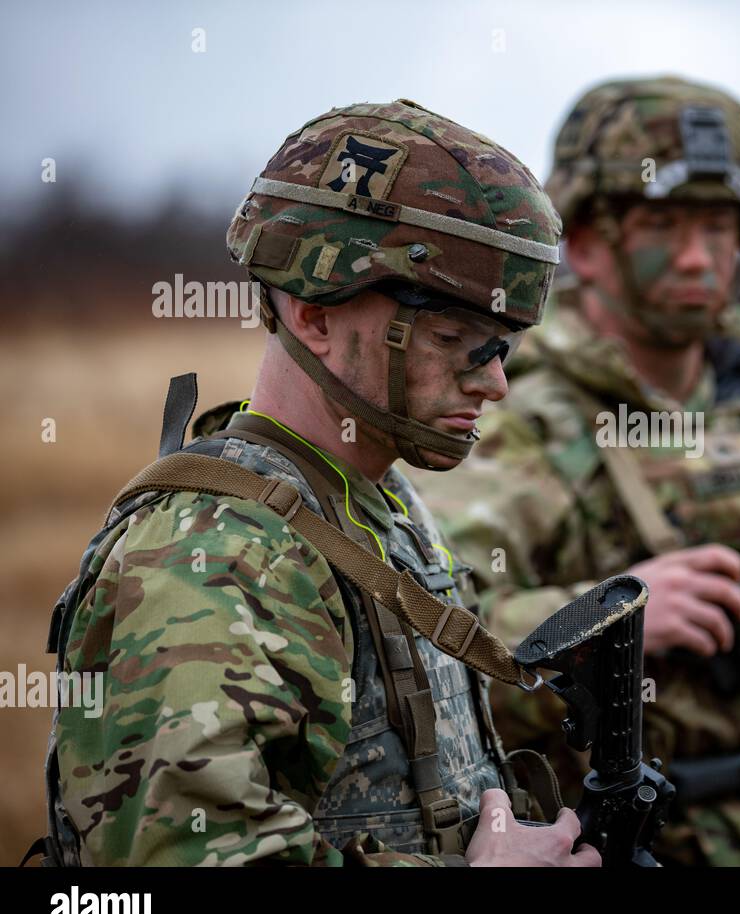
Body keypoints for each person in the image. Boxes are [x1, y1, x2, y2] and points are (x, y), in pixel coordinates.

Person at [40, 99, 599, 867]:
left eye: (501, 348)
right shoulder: (206, 558)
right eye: (454, 341)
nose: (496, 384)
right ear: (312, 314)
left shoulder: (376, 503)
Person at [410, 76, 740, 866]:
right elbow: (429, 643)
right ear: (589, 243)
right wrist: (606, 624)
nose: (699, 256)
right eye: (663, 224)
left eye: (719, 225)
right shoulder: (515, 423)